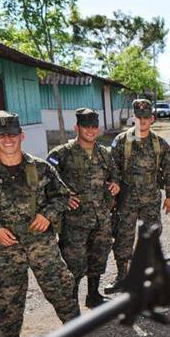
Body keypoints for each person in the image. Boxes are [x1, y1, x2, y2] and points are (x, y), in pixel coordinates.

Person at [0, 111, 88, 337]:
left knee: (62, 290)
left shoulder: (41, 168)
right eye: (0, 135)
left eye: (12, 134)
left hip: (41, 245)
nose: (7, 140)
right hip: (5, 249)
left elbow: (63, 196)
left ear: (22, 136)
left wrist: (47, 215)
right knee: (8, 300)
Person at [47, 108, 119, 310]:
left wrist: (116, 184)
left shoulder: (104, 153)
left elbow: (114, 175)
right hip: (74, 221)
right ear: (76, 127)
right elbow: (45, 183)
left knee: (98, 257)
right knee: (74, 263)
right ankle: (71, 305)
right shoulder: (61, 154)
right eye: (86, 126)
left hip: (101, 218)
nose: (90, 130)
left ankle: (93, 296)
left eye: (94, 126)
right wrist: (64, 197)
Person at [106, 99, 170, 294]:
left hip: (151, 198)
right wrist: (114, 187)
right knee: (123, 237)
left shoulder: (160, 143)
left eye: (146, 117)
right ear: (133, 117)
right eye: (139, 117)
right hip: (126, 198)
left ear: (152, 119)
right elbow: (112, 168)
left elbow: (169, 170)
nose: (142, 121)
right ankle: (122, 277)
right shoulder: (121, 141)